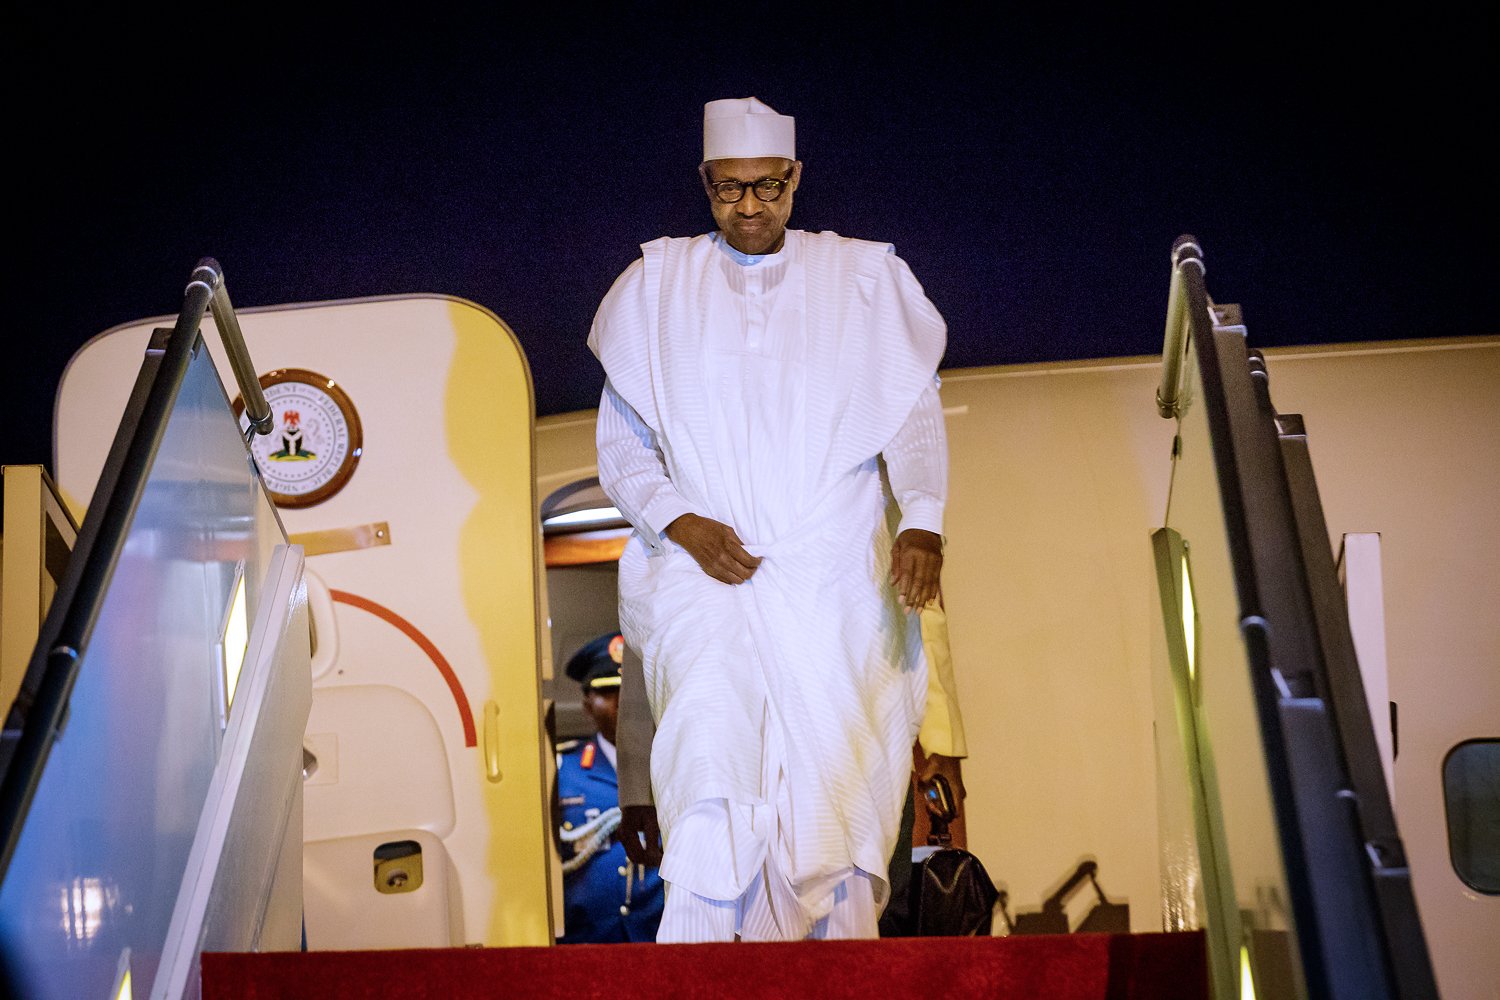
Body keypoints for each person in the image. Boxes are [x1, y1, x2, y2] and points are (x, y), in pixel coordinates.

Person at [589, 95, 950, 943]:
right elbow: (623, 449)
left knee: (835, 783)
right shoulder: (655, 285)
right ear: (704, 183)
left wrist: (922, 520)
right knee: (710, 763)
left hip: (833, 581)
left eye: (767, 188)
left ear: (796, 180)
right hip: (707, 578)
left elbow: (913, 416)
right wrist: (681, 523)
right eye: (728, 191)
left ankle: (837, 966)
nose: (749, 208)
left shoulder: (861, 278)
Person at [553, 632, 665, 943]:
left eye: (629, 694)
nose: (621, 705)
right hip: (587, 943)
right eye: (609, 692)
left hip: (661, 939)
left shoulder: (671, 768)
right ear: (587, 704)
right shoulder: (561, 771)